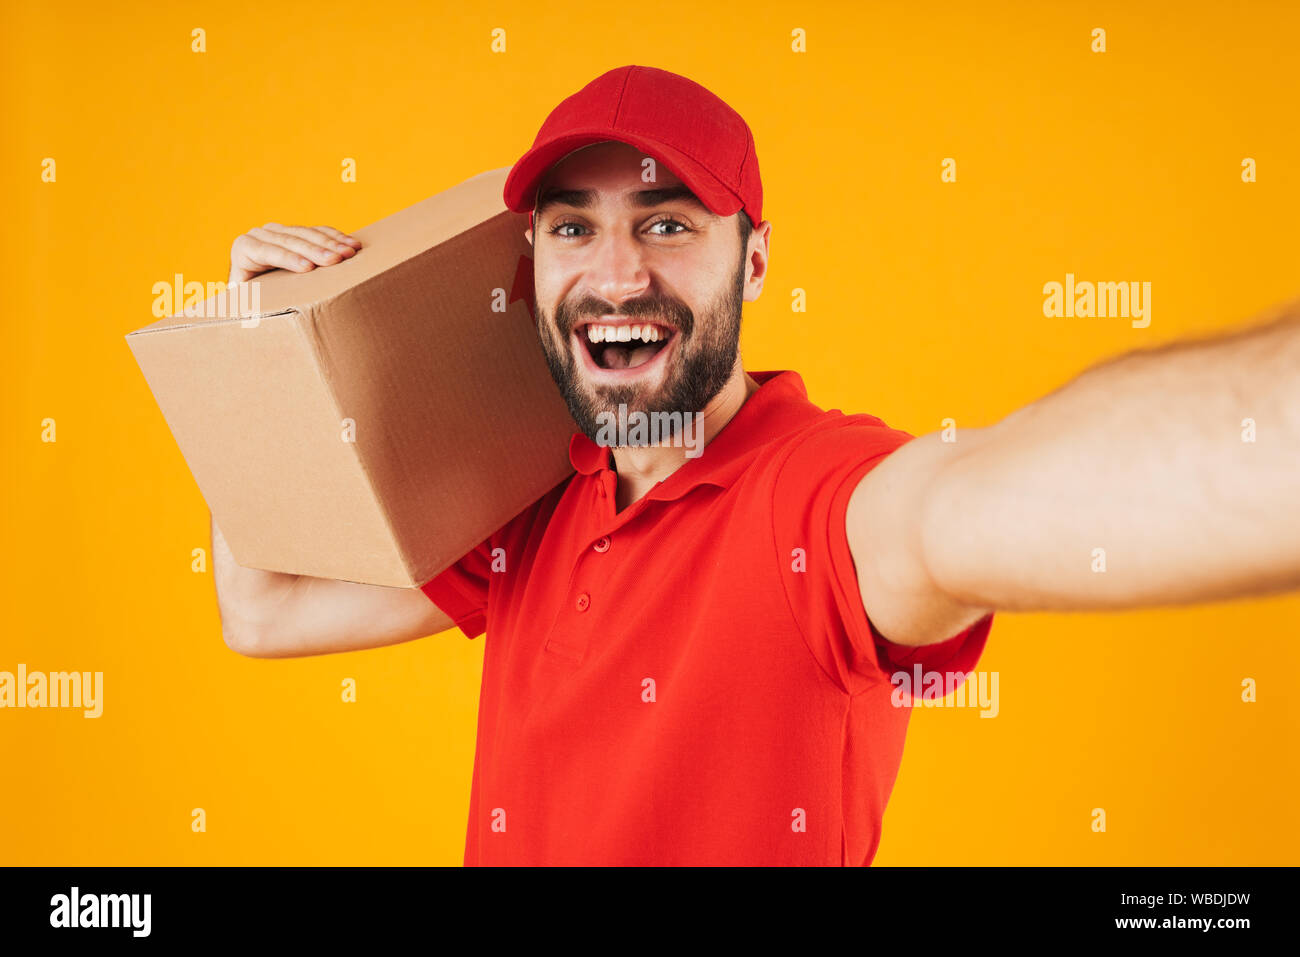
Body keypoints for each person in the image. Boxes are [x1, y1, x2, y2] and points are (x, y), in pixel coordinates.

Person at [212, 65, 1300, 865]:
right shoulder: (534, 503)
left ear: (757, 259)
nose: (617, 272)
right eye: (572, 229)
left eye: (668, 223)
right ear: (527, 265)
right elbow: (264, 612)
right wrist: (251, 352)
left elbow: (963, 507)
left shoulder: (820, 499)